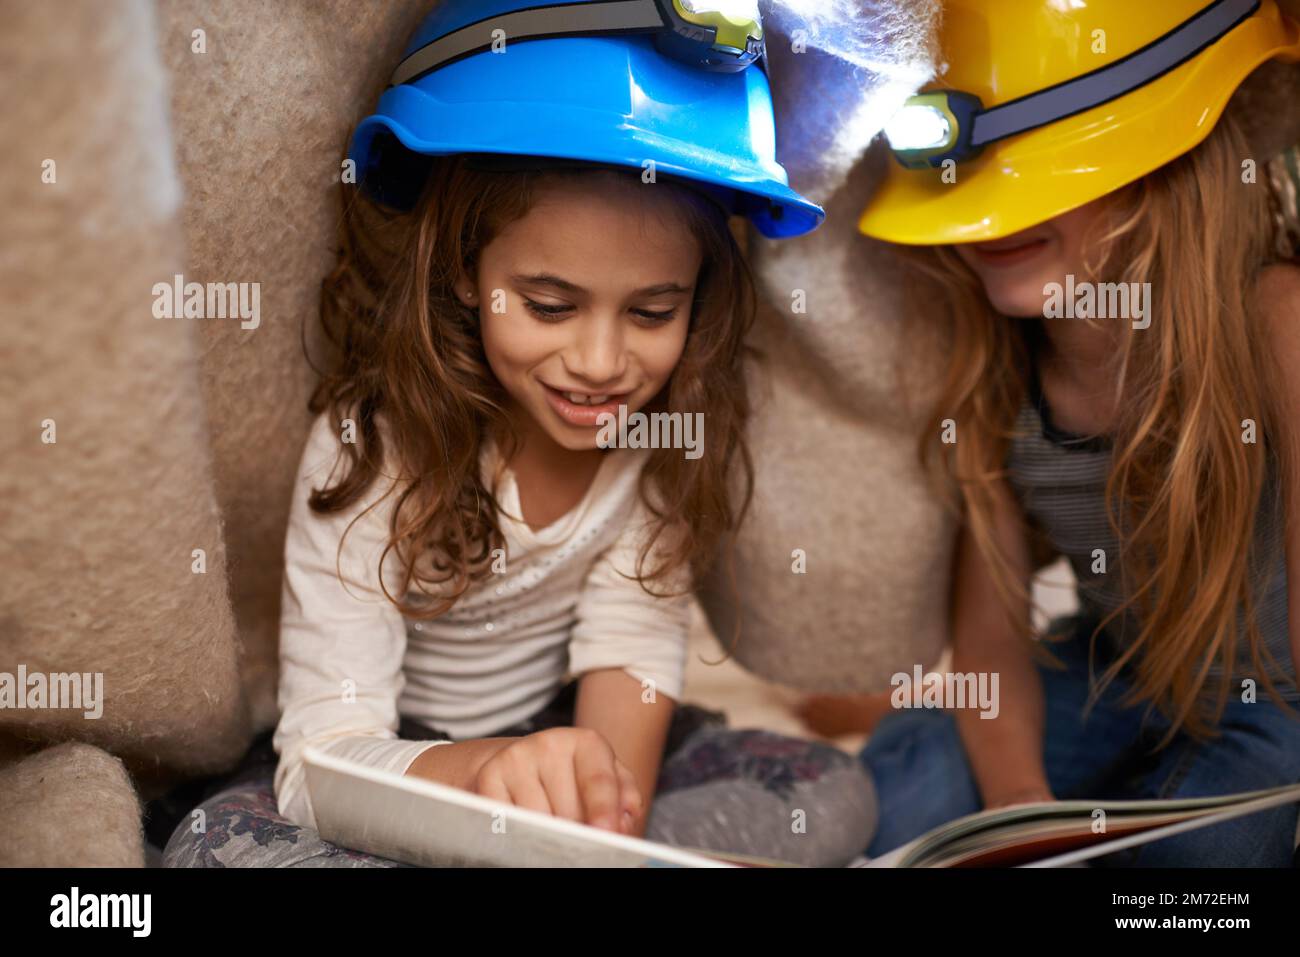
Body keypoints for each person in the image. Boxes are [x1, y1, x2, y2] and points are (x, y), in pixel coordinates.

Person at [164, 0, 875, 868]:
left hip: (560, 743)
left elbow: (630, 663)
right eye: (549, 306)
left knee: (826, 788)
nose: (602, 364)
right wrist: (488, 779)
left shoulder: (661, 442)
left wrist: (593, 821)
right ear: (465, 270)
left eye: (653, 312)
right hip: (403, 759)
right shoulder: (371, 447)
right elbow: (325, 758)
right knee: (215, 845)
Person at [857, 0, 1300, 866]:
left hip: (1276, 703)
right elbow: (990, 644)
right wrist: (1019, 808)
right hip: (1111, 671)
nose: (996, 213)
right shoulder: (994, 370)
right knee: (909, 789)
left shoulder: (1277, 321)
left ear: (1175, 155)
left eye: (1050, 167)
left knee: (1201, 868)